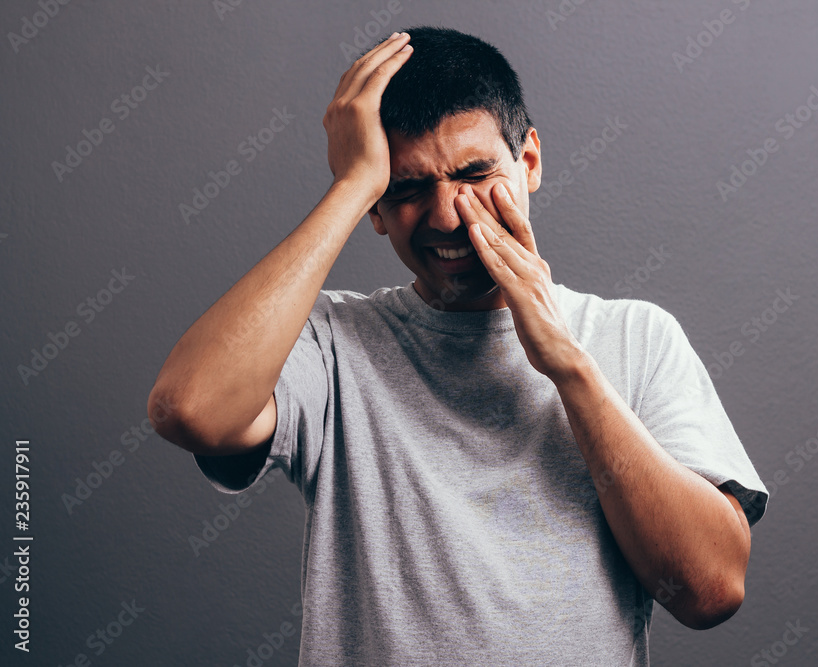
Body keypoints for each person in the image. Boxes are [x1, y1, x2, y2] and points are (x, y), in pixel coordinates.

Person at [148, 25, 769, 666]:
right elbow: (188, 408)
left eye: (475, 174)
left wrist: (569, 366)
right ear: (376, 209)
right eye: (408, 189)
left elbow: (710, 589)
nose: (447, 215)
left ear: (528, 161)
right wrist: (352, 183)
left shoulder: (636, 337)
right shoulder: (332, 347)